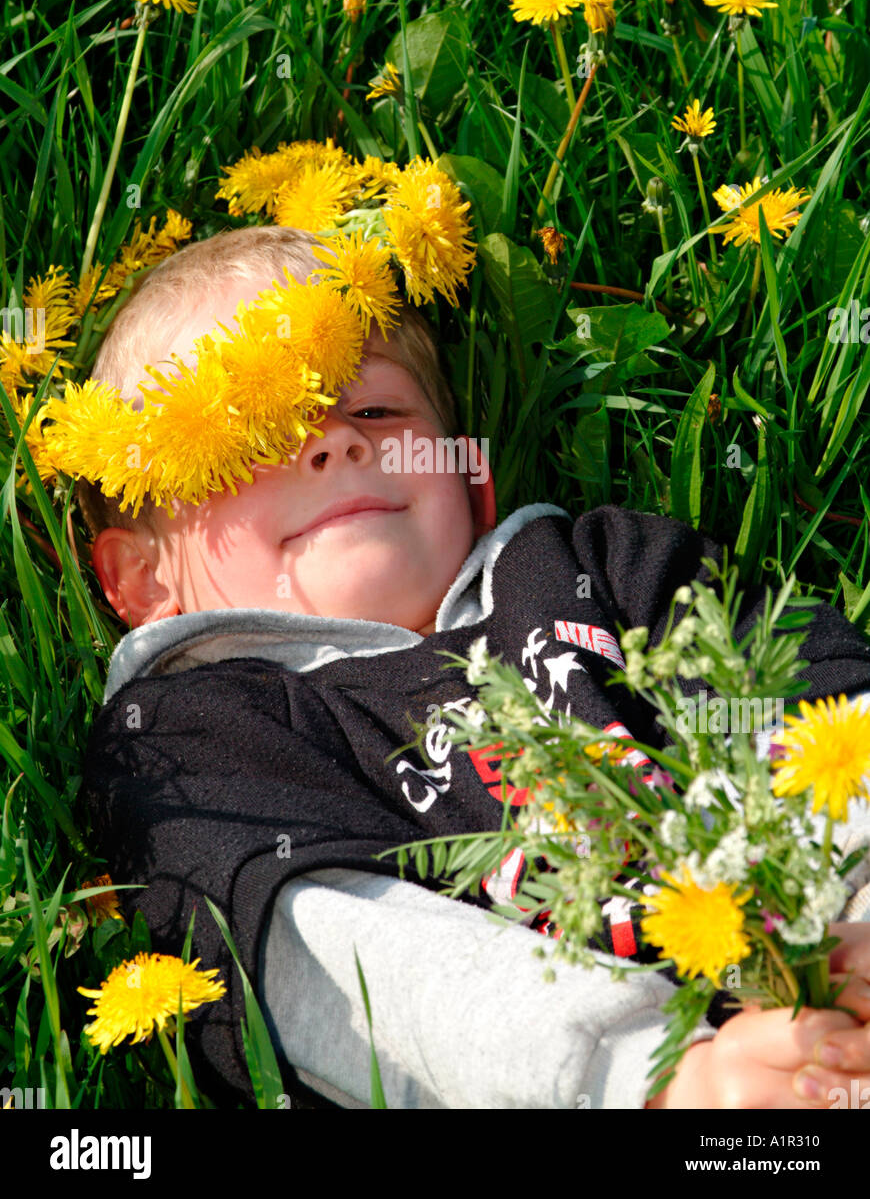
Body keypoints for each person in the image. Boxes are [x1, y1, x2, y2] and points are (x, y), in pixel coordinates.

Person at [77, 223, 870, 1109]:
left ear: (468, 477)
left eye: (375, 411)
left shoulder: (598, 570)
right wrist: (650, 1077)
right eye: (249, 435)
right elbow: (335, 961)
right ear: (142, 579)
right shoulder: (189, 741)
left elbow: (823, 708)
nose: (333, 440)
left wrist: (842, 908)